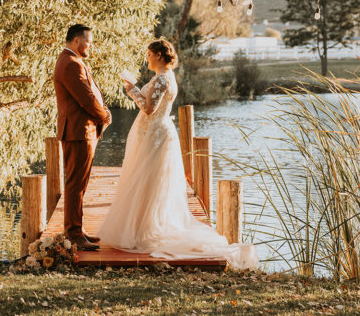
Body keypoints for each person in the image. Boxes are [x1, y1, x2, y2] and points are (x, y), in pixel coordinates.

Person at [99, 39, 258, 269]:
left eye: (150, 54)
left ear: (159, 56)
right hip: (155, 132)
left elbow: (148, 108)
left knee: (147, 180)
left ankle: (144, 229)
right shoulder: (166, 77)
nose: (147, 58)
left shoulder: (163, 78)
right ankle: (142, 225)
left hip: (154, 134)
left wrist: (131, 89)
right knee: (149, 181)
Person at [53, 24, 111, 251]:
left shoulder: (73, 61)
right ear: (76, 40)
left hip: (83, 130)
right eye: (89, 41)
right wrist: (105, 116)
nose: (91, 46)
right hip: (78, 131)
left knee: (80, 184)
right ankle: (74, 234)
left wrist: (103, 113)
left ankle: (77, 229)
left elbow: (92, 93)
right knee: (76, 184)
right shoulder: (69, 63)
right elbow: (86, 98)